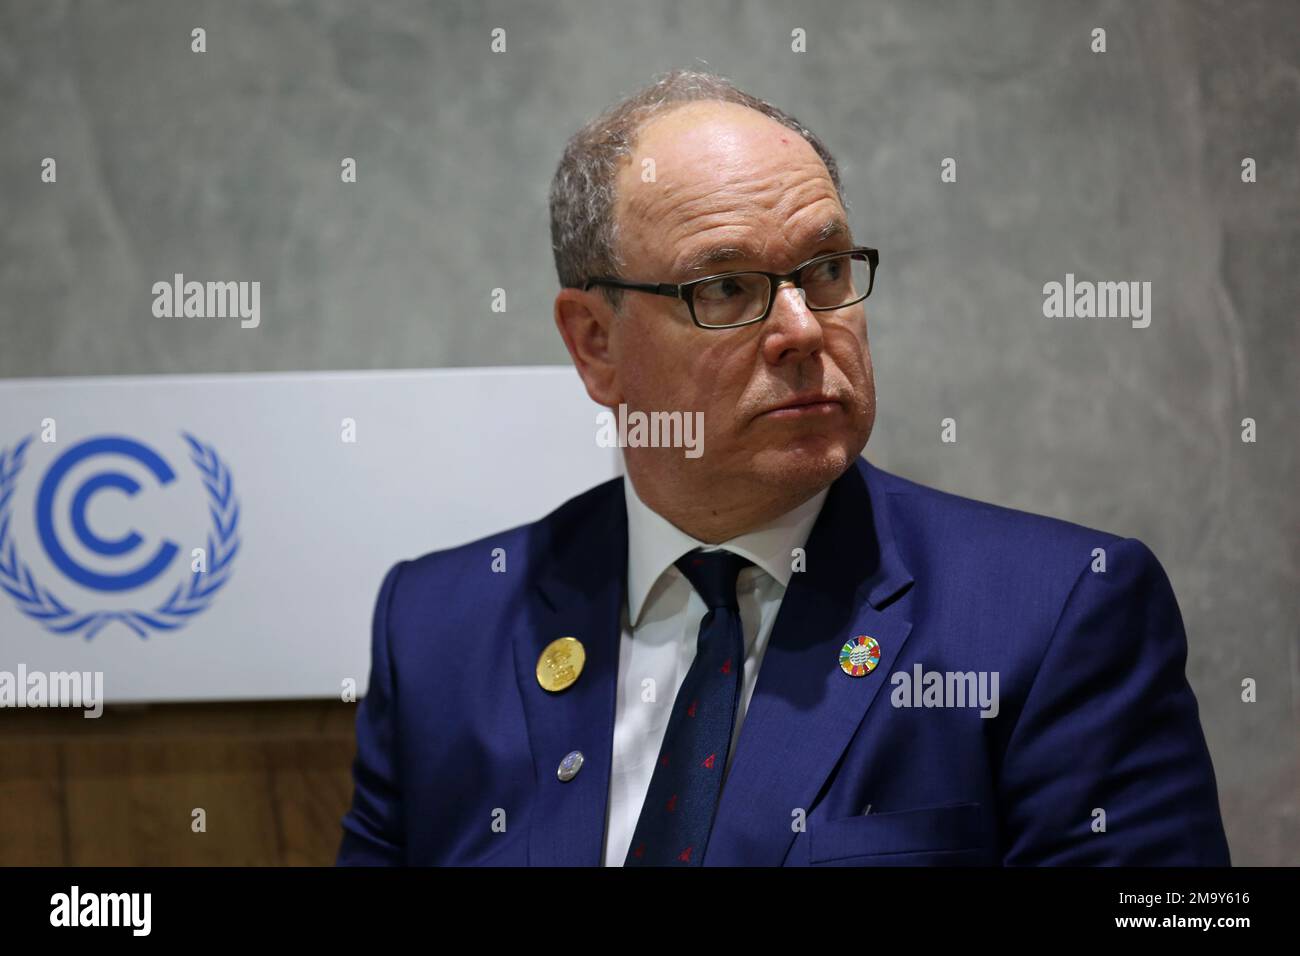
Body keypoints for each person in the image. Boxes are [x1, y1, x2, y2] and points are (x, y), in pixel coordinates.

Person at [336, 69, 1230, 866]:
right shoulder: (440, 632)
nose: (804, 328)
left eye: (827, 268)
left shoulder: (1057, 615)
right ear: (596, 344)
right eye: (724, 287)